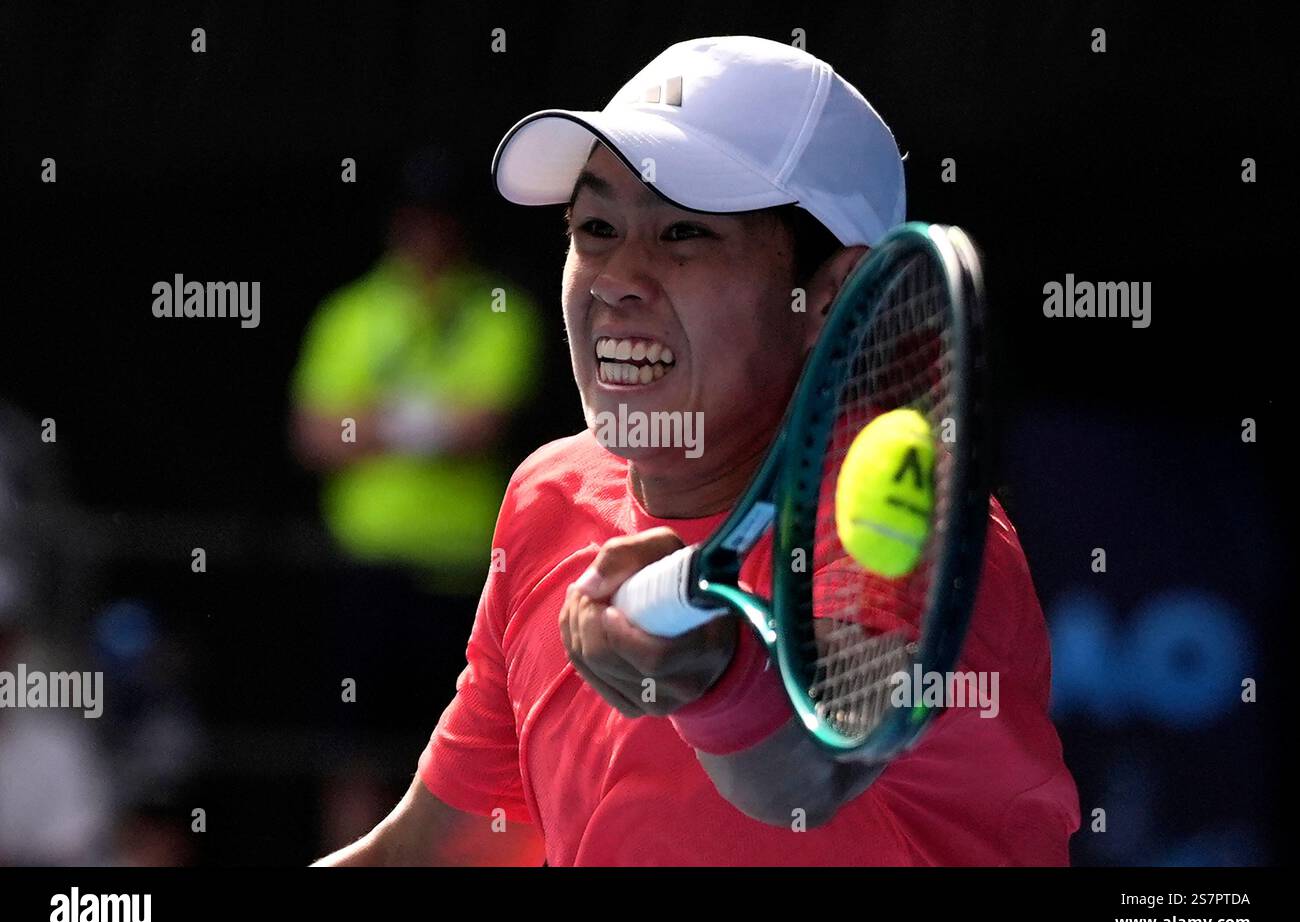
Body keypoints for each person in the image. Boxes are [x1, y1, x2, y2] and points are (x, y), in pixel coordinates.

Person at [315, 35, 1079, 866]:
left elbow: (805, 777)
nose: (616, 277)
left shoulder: (900, 508)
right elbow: (423, 855)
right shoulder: (549, 496)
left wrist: (717, 679)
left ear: (830, 298)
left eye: (682, 233)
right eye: (596, 226)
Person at [290, 148, 541, 731]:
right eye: (415, 216)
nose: (426, 233)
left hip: (462, 570)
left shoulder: (500, 310)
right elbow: (314, 436)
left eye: (440, 217)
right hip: (364, 566)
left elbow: (481, 427)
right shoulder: (348, 313)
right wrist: (432, 421)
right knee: (349, 745)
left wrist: (372, 420)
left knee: (462, 749)